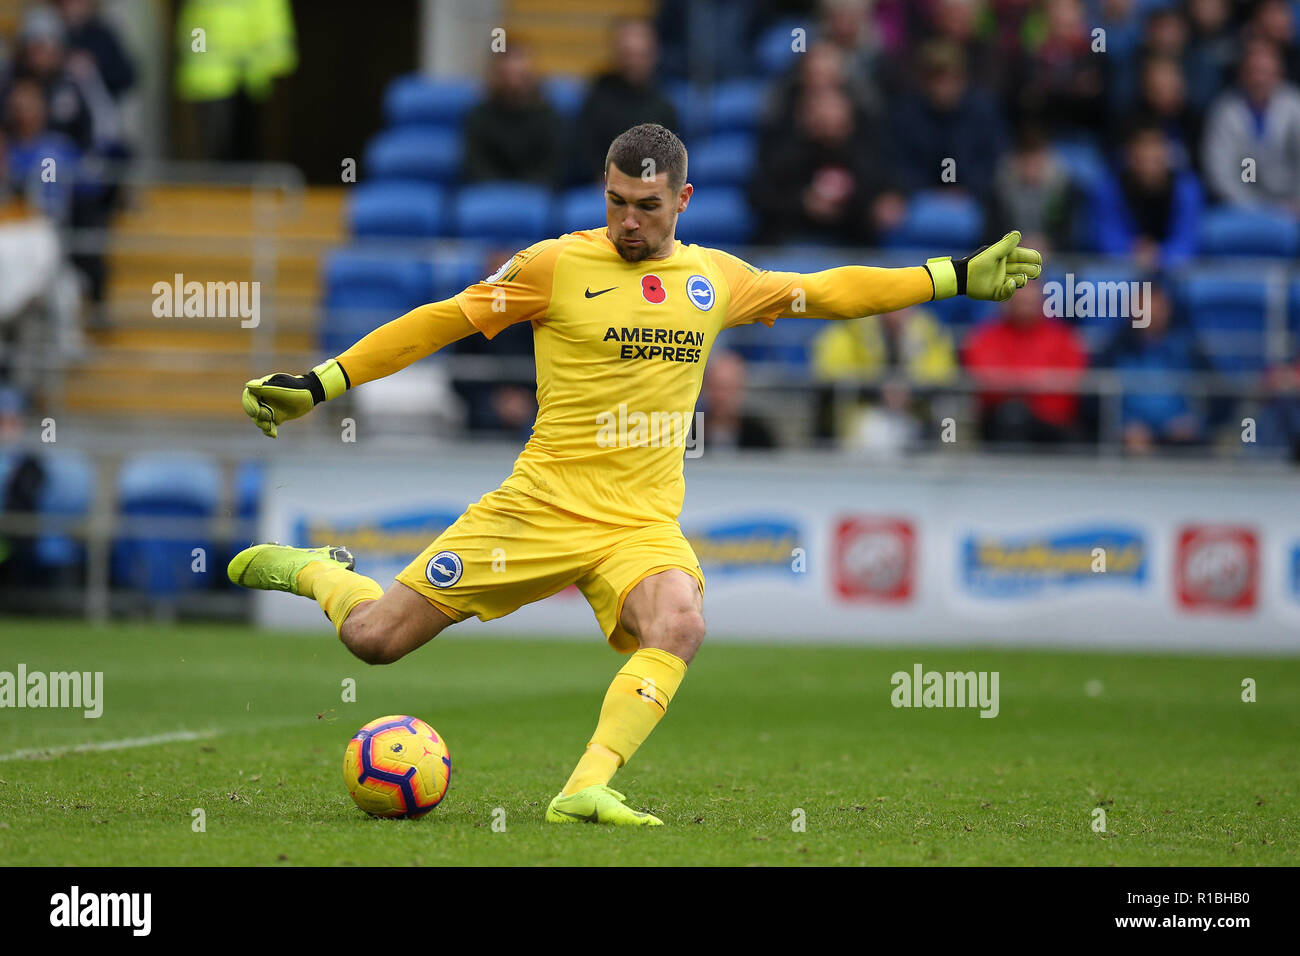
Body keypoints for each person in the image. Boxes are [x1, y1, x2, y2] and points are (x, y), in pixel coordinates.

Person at [228, 123, 1041, 825]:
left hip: (639, 523)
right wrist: (323, 381)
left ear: (681, 202)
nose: (626, 220)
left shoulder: (712, 279)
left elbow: (826, 291)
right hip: (538, 507)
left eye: (646, 206)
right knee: (376, 642)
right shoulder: (552, 266)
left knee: (680, 625)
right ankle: (321, 574)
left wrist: (954, 276)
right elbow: (438, 322)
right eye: (615, 201)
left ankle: (585, 789)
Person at [964, 280, 1087, 446]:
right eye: (1019, 298)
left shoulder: (1063, 337)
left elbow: (1071, 382)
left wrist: (1014, 383)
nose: (1024, 303)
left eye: (1029, 298)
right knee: (1012, 416)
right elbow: (983, 379)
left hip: (1053, 423)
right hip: (999, 421)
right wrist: (1039, 383)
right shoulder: (986, 336)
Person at [1202, 39, 1300, 212]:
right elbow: (1219, 171)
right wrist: (1253, 207)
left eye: (1264, 71)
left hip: (1292, 203)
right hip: (1241, 206)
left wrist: (1293, 202)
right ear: (1242, 73)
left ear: (1278, 72)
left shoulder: (1295, 105)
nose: (1259, 78)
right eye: (1253, 71)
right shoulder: (1224, 109)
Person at [461, 46, 561, 186]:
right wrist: (499, 189)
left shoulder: (549, 117)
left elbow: (553, 165)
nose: (514, 84)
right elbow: (474, 163)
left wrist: (526, 189)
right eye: (507, 76)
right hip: (488, 193)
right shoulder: (479, 116)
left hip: (536, 193)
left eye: (521, 76)